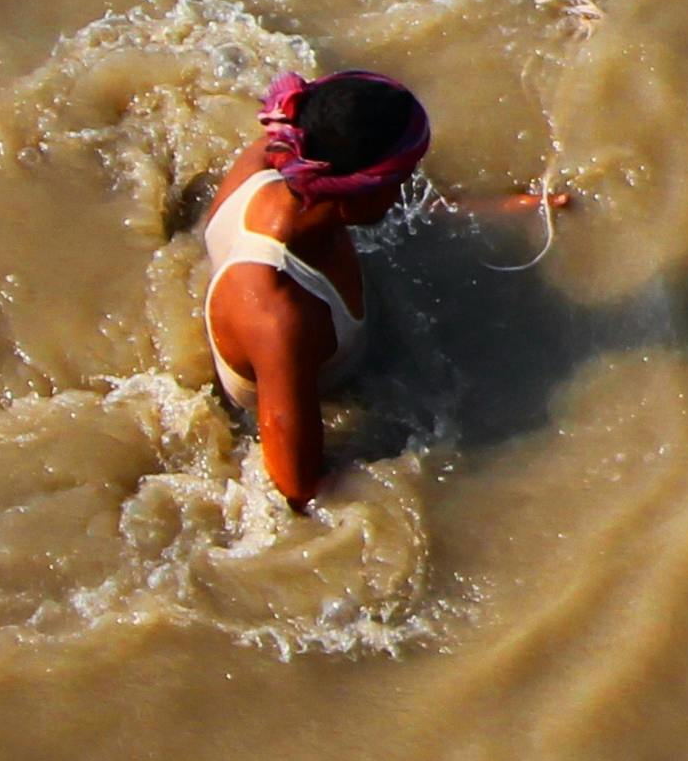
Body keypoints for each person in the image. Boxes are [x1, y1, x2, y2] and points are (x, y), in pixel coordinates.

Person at [198, 69, 568, 506]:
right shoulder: (282, 315)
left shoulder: (277, 155)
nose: (405, 189)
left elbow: (394, 209)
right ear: (355, 194)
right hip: (310, 383)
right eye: (400, 179)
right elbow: (296, 487)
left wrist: (509, 207)